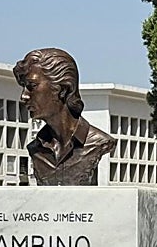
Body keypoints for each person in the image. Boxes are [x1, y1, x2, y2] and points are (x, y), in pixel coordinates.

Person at [13, 48, 115, 185]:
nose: (24, 96)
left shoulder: (97, 143)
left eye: (32, 86)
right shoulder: (36, 149)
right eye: (24, 87)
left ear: (63, 89)